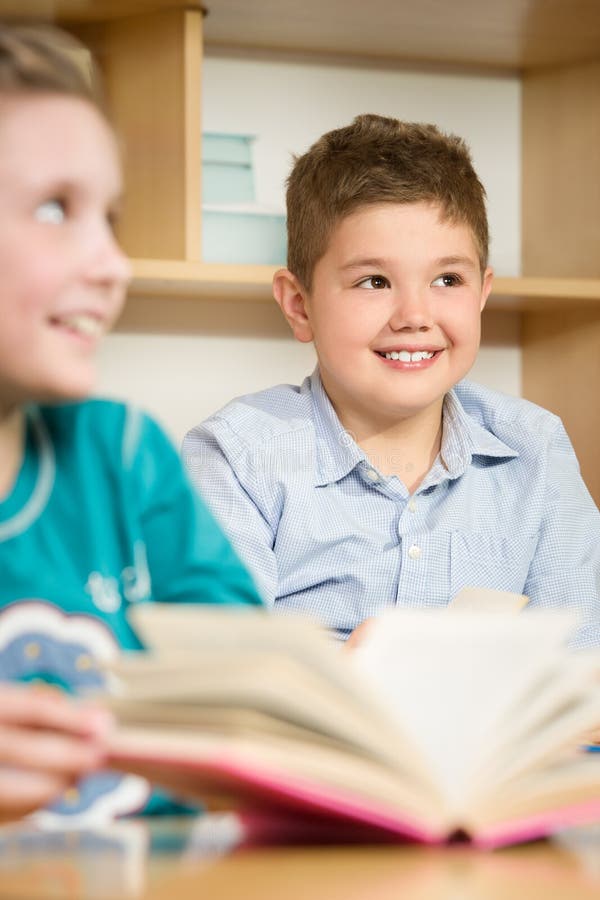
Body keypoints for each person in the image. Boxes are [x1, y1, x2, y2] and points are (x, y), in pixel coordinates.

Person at [183, 113, 600, 647]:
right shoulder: (237, 458)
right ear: (299, 304)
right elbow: (217, 665)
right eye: (374, 281)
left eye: (447, 279)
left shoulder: (536, 451)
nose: (414, 315)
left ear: (481, 295)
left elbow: (581, 663)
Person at [0, 23, 261, 824]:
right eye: (54, 208)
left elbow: (250, 698)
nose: (114, 262)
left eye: (110, 217)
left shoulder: (126, 454)